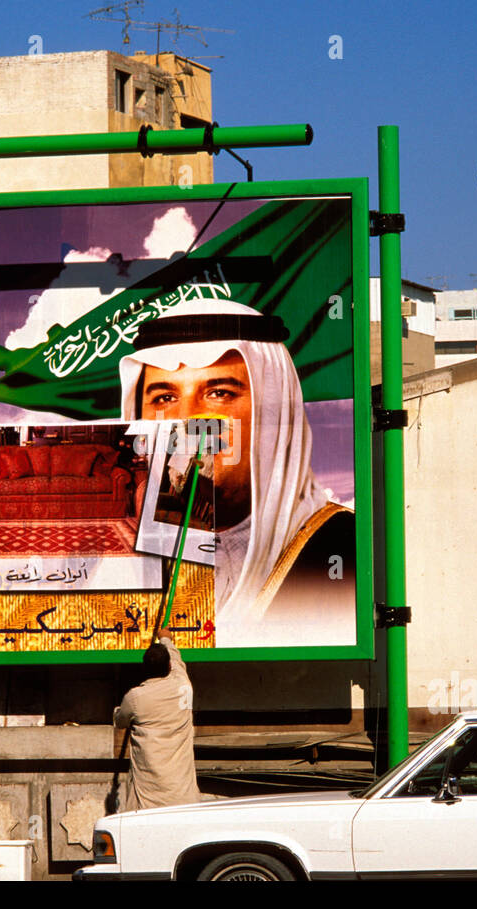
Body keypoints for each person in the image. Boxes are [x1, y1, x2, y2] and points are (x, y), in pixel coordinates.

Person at [118, 298, 355, 646]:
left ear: (272, 414)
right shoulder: (118, 555)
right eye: (165, 399)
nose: (189, 421)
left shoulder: (338, 544)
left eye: (218, 393)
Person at [113, 634, 200, 811]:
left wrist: (117, 710)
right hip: (183, 796)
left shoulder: (135, 697)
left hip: (148, 798)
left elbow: (120, 720)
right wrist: (166, 639)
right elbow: (176, 660)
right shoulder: (183, 685)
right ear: (169, 666)